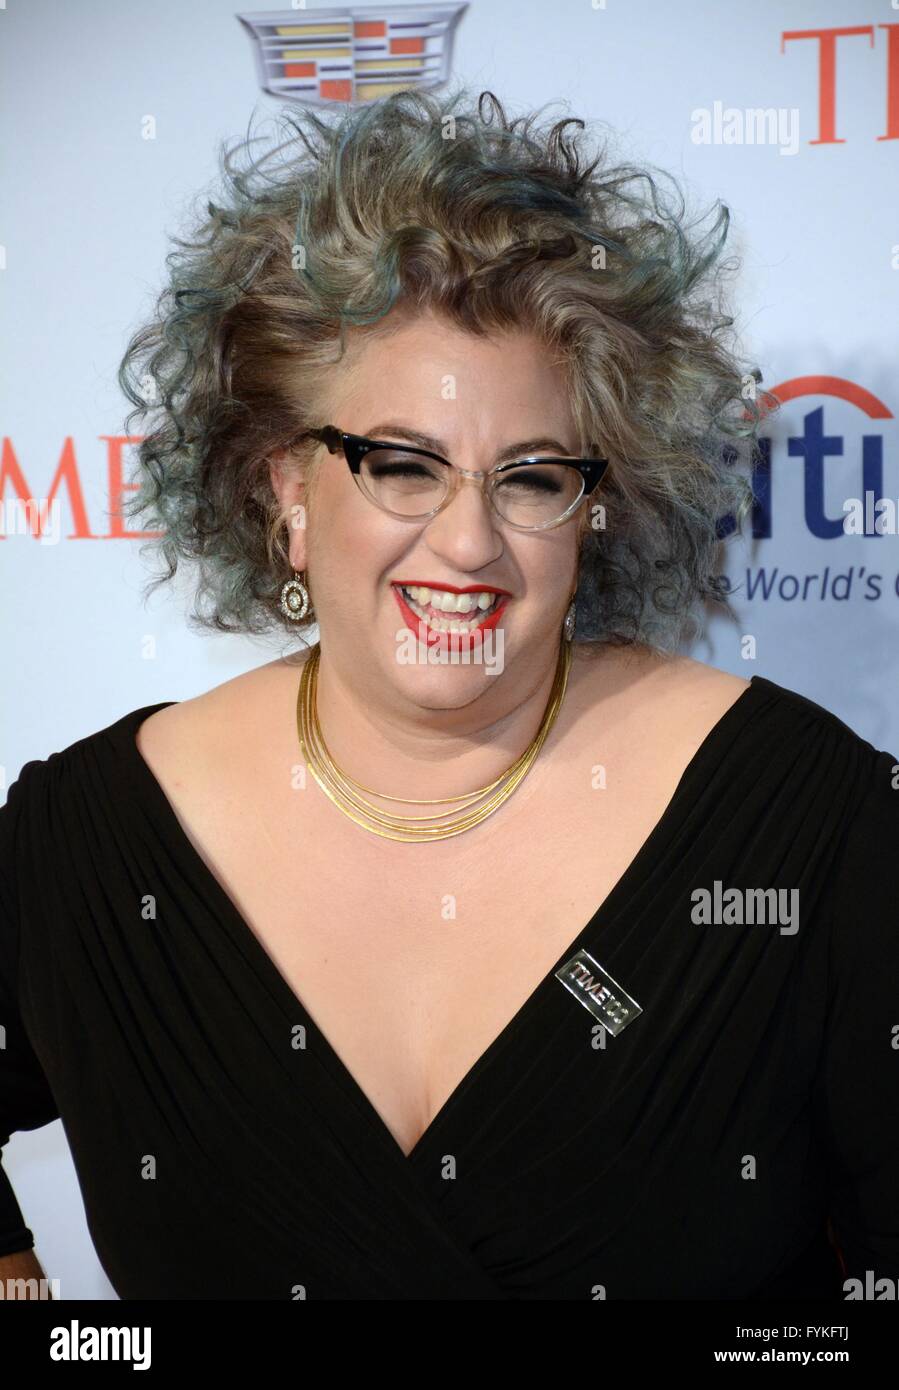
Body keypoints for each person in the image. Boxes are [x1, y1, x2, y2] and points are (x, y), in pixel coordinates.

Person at [1, 88, 897, 1301]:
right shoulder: (87, 847)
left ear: (595, 505)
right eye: (402, 464)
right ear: (287, 493)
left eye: (529, 477)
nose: (467, 541)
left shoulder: (816, 824)